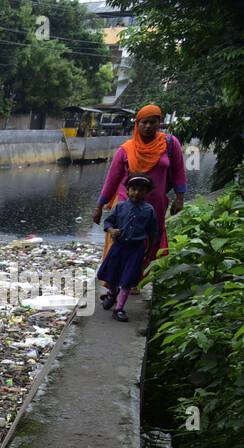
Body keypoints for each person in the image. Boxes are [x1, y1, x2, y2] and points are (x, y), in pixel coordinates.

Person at [91, 104, 187, 262]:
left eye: (152, 122)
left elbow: (179, 172)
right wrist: (99, 207)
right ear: (137, 124)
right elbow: (112, 180)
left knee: (151, 237)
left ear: (159, 122)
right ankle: (116, 279)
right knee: (123, 239)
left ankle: (141, 278)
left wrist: (180, 198)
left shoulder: (170, 144)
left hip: (155, 203)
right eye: (144, 122)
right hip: (127, 204)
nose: (148, 126)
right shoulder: (126, 149)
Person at [96, 175, 160, 322]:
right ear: (128, 190)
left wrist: (149, 250)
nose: (137, 193)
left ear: (147, 192)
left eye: (141, 190)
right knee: (110, 275)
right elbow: (108, 222)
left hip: (136, 250)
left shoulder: (149, 210)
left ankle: (119, 309)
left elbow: (152, 232)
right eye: (134, 189)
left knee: (127, 280)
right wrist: (112, 230)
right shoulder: (120, 207)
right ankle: (112, 293)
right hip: (118, 247)